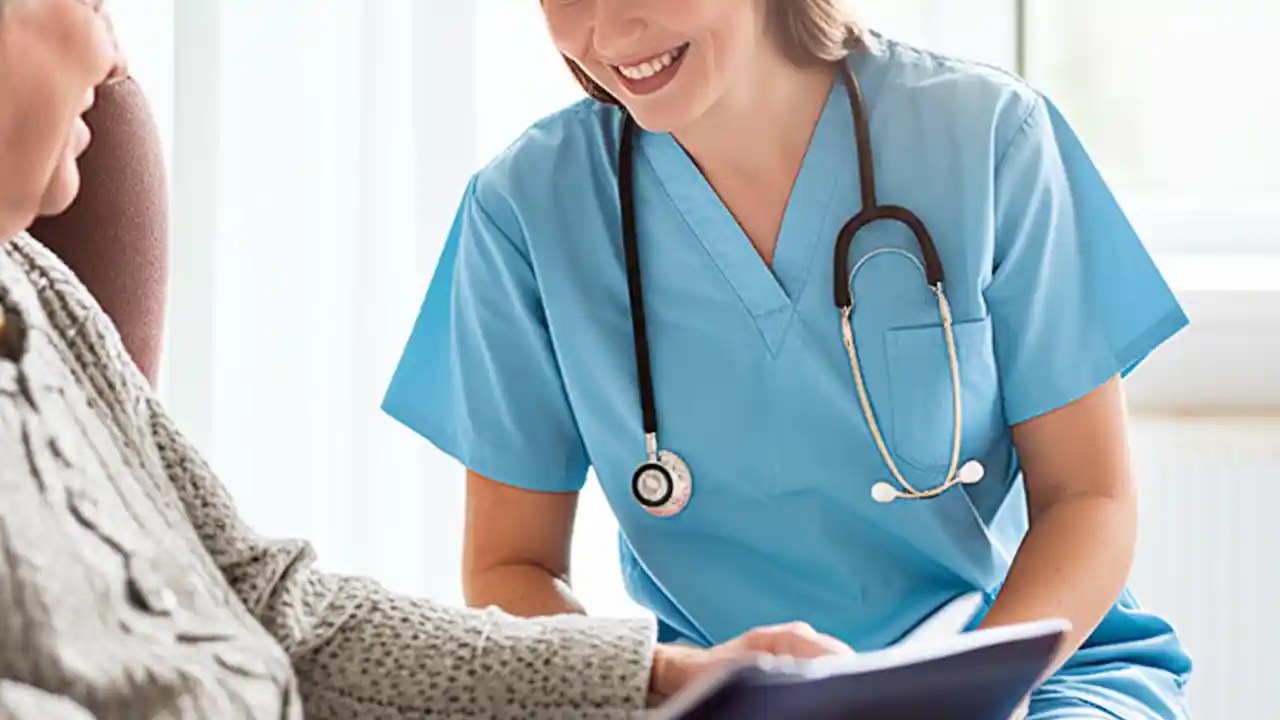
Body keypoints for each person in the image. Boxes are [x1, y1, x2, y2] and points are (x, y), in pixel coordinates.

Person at [0, 1, 852, 717]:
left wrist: (660, 679)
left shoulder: (43, 296)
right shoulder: (533, 201)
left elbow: (276, 611)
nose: (114, 57)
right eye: (88, 3)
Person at [383, 1, 1194, 717]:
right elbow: (510, 567)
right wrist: (656, 684)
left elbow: (1088, 497)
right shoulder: (528, 208)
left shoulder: (986, 137)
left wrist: (981, 693)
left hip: (1032, 675)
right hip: (722, 699)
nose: (610, 29)